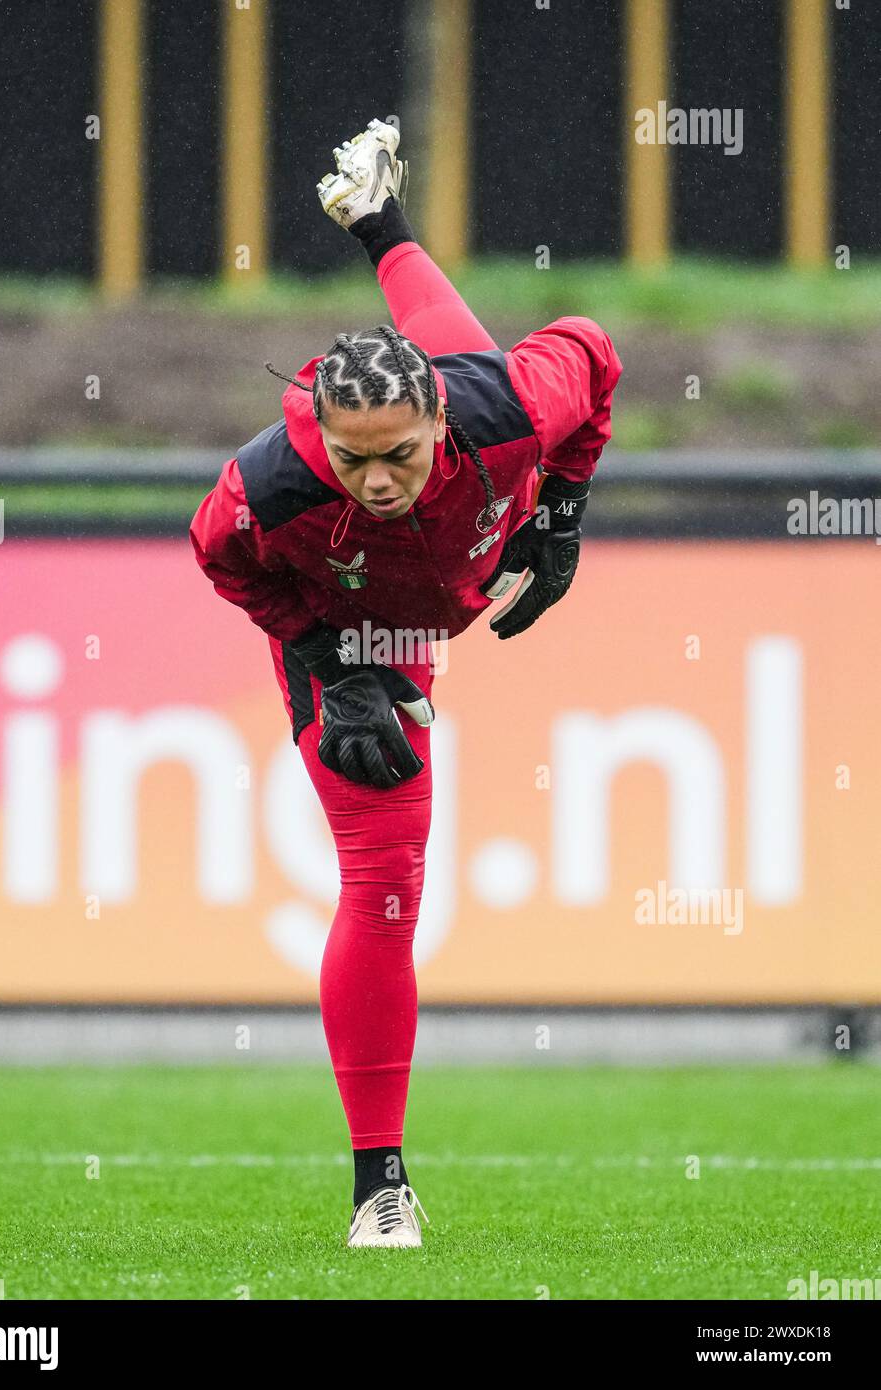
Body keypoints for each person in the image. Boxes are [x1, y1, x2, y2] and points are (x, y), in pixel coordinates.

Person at [191, 117, 622, 1248]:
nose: (376, 479)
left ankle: (378, 220)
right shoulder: (268, 487)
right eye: (351, 458)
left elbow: (591, 347)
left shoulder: (500, 406)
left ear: (437, 418)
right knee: (385, 881)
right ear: (315, 435)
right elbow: (218, 557)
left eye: (400, 452)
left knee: (486, 364)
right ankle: (378, 1184)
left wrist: (561, 520)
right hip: (354, 626)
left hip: (474, 490)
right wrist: (334, 664)